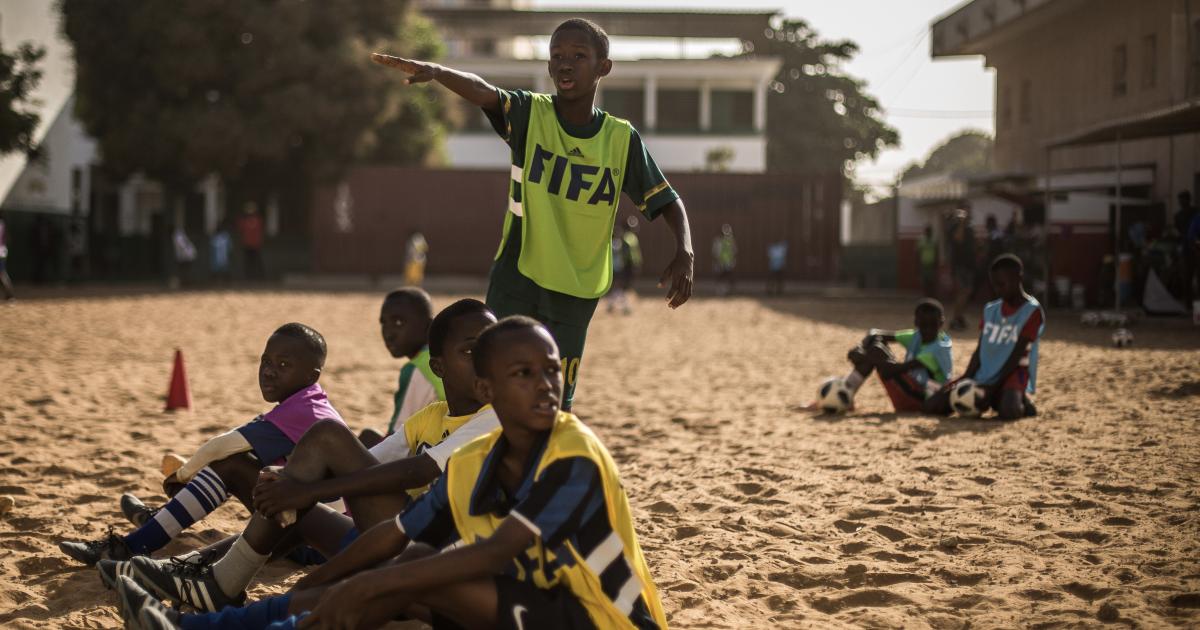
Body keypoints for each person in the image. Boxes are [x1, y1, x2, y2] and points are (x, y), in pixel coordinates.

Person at [119, 317, 667, 630]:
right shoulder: (474, 460)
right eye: (524, 373)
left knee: (406, 579)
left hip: (601, 622)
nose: (546, 384)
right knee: (386, 580)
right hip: (527, 611)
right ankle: (198, 622)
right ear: (487, 389)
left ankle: (214, 595)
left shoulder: (573, 451)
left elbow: (491, 556)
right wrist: (314, 585)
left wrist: (362, 576)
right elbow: (392, 536)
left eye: (551, 371)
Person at [370, 18, 695, 411]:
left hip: (578, 287)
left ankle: (543, 468)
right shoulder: (530, 114)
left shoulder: (621, 139)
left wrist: (685, 251)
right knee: (493, 381)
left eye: (578, 56)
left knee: (553, 397)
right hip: (518, 274)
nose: (565, 64)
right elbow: (486, 93)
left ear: (603, 67)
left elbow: (667, 199)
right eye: (556, 55)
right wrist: (439, 73)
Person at [110, 301, 502, 613]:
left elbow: (416, 469)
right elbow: (370, 462)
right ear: (439, 365)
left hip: (428, 565)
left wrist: (305, 490)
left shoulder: (495, 418)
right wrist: (291, 489)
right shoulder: (431, 418)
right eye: (471, 350)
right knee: (290, 496)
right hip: (383, 544)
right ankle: (206, 574)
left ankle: (210, 579)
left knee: (327, 439)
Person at [59, 323, 345, 566]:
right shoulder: (308, 403)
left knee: (231, 465)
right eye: (266, 361)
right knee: (240, 466)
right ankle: (158, 522)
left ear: (311, 377)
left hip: (314, 545)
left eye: (283, 365)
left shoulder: (303, 411)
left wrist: (181, 477)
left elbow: (221, 446)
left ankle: (132, 545)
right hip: (312, 531)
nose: (269, 371)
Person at [926, 254, 1044, 420]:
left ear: (1019, 277)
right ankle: (1000, 398)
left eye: (1002, 284)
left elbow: (1017, 354)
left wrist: (993, 387)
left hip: (1012, 373)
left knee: (1009, 412)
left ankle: (1018, 399)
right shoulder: (990, 309)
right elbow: (981, 348)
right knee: (933, 406)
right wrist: (966, 377)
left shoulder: (1032, 311)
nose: (998, 290)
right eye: (995, 285)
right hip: (984, 373)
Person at [357, 288, 443, 447]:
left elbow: (396, 439)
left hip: (437, 455)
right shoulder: (444, 356)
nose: (388, 333)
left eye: (398, 322)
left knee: (365, 438)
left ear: (429, 326)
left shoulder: (418, 369)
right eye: (383, 323)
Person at [841, 299, 953, 412]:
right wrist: (860, 347)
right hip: (913, 390)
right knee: (875, 347)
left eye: (933, 326)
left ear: (941, 323)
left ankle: (847, 390)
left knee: (876, 352)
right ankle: (846, 392)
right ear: (916, 323)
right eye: (923, 326)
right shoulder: (917, 336)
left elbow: (893, 371)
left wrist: (863, 356)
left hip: (925, 401)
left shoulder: (938, 349)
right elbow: (875, 334)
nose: (928, 330)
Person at [947, 206, 977, 330]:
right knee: (963, 292)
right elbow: (958, 239)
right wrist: (961, 223)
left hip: (969, 265)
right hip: (960, 266)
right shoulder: (955, 227)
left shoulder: (969, 228)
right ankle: (955, 319)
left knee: (966, 292)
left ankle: (959, 317)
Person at [607, 216, 642, 314]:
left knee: (622, 287)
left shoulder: (629, 237)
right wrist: (634, 264)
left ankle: (613, 304)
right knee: (623, 286)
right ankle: (623, 306)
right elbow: (629, 254)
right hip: (627, 265)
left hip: (628, 265)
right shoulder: (627, 238)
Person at [238, 203, 265, 281]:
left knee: (257, 262)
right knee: (248, 262)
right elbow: (240, 229)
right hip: (247, 244)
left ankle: (260, 277)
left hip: (256, 244)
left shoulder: (258, 220)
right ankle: (248, 277)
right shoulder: (244, 221)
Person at [713, 223, 737, 296]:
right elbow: (715, 252)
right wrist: (718, 261)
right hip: (721, 262)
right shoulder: (718, 241)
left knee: (729, 277)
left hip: (729, 263)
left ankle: (729, 291)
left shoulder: (731, 241)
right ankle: (720, 290)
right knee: (720, 276)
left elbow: (734, 251)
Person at [916, 225, 938, 299]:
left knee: (931, 282)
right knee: (924, 282)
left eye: (930, 231)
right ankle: (925, 297)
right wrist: (918, 265)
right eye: (927, 231)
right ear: (925, 232)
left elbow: (937, 252)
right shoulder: (921, 240)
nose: (928, 232)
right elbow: (918, 253)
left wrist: (936, 264)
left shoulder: (934, 240)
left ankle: (931, 298)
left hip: (932, 264)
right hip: (923, 264)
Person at [210, 220, 233, 286]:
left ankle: (226, 282)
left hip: (224, 256)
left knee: (225, 269)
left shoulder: (226, 236)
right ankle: (215, 282)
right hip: (217, 257)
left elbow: (230, 247)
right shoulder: (215, 237)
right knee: (216, 269)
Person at [0, 209, 14, 301]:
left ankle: (10, 295)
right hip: (3, 250)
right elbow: (8, 238)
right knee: (2, 273)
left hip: (1, 251)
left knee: (2, 273)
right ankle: (9, 294)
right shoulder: (3, 224)